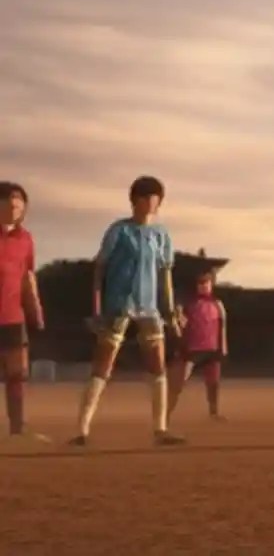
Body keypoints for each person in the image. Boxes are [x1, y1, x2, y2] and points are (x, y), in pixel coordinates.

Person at [70, 176, 185, 447]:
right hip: (119, 304)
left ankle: (160, 428)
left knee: (157, 366)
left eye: (154, 197)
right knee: (104, 365)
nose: (149, 202)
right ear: (134, 200)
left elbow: (165, 273)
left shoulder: (162, 235)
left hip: (149, 308)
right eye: (144, 197)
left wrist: (169, 310)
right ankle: (82, 428)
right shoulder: (119, 231)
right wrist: (97, 307)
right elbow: (100, 267)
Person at [0, 182, 46, 443]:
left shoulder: (25, 238)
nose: (14, 210)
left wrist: (35, 308)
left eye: (19, 206)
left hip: (13, 316)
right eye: (8, 205)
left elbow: (28, 276)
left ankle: (18, 428)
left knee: (17, 374)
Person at [166, 269, 229, 422]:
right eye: (200, 283)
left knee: (213, 383)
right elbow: (180, 322)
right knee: (178, 383)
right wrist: (179, 318)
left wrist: (223, 346)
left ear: (211, 285)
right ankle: (165, 414)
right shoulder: (190, 304)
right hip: (192, 349)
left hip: (212, 348)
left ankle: (214, 412)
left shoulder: (217, 304)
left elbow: (222, 325)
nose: (203, 286)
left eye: (206, 283)